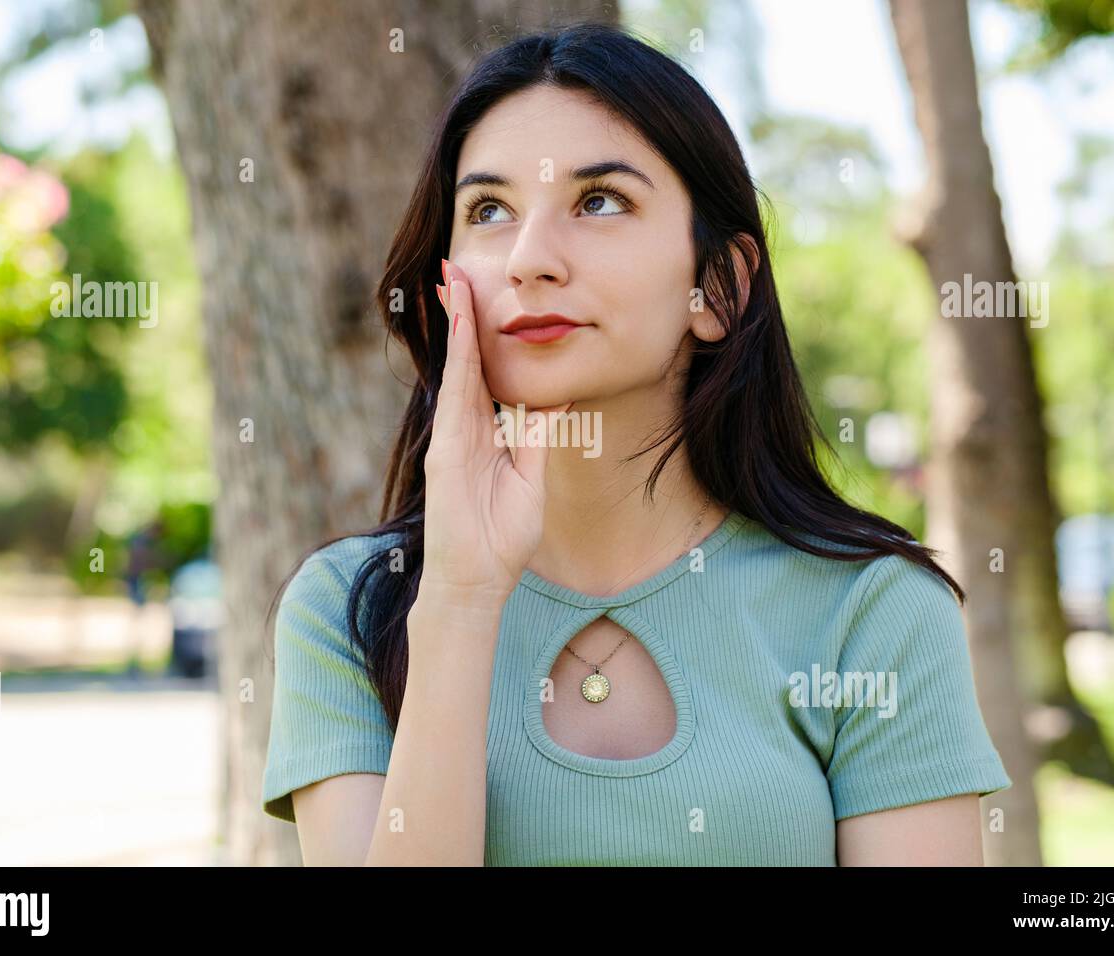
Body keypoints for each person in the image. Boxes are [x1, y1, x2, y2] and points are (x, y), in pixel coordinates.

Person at [260, 21, 1011, 866]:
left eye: (599, 201)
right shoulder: (348, 613)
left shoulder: (873, 615)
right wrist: (462, 603)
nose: (530, 259)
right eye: (490, 210)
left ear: (718, 287)